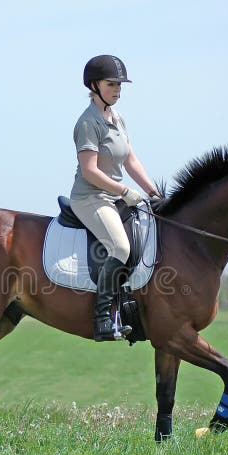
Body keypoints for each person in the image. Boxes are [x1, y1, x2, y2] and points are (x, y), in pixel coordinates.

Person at [70, 54, 160, 342]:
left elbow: (130, 159)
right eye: (111, 84)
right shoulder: (88, 122)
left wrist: (152, 192)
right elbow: (90, 171)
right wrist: (124, 191)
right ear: (94, 85)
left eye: (120, 85)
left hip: (114, 198)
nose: (118, 90)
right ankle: (102, 320)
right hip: (91, 198)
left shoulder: (117, 117)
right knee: (120, 247)